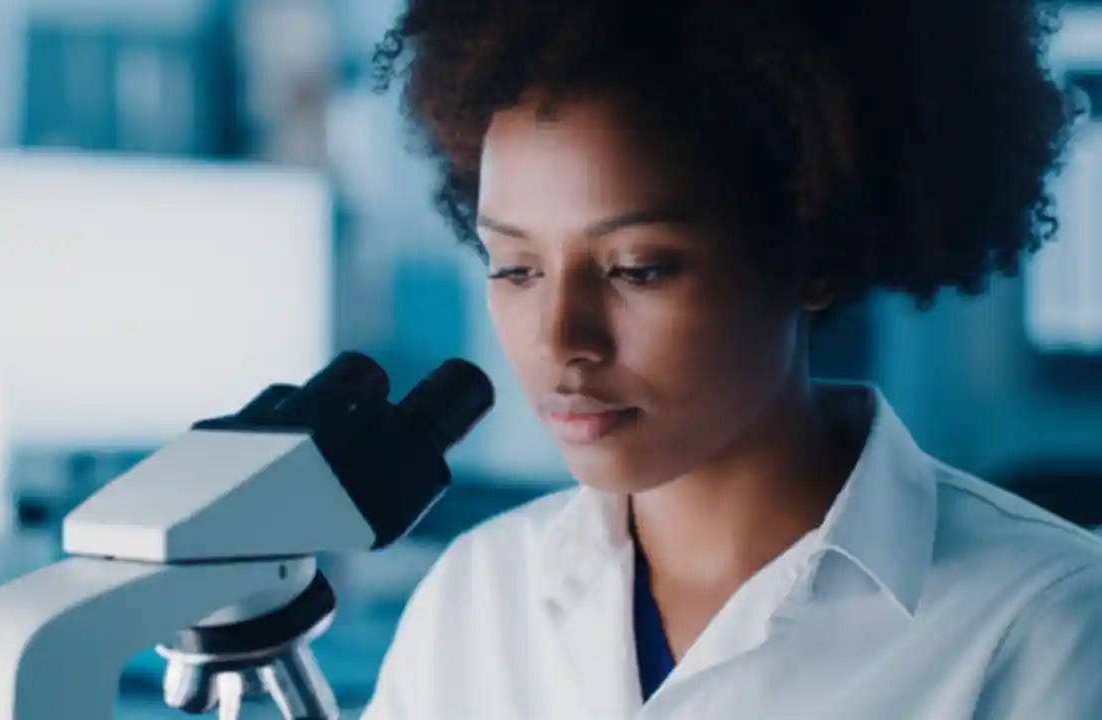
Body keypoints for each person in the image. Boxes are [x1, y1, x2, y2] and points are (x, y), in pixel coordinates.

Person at [362, 1, 1100, 718]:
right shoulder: (477, 596)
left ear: (815, 256)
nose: (561, 340)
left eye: (638, 269)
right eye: (517, 269)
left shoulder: (1045, 627)